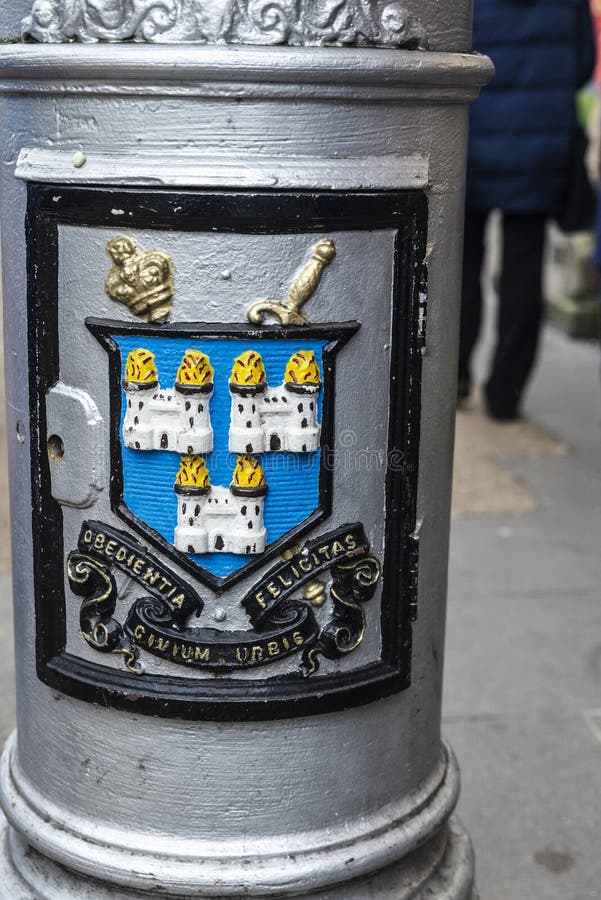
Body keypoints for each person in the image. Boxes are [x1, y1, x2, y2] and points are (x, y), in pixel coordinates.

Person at [459, 0, 596, 420]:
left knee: (461, 262)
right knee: (524, 266)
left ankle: (455, 376)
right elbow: (583, 64)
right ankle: (506, 394)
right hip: (541, 144)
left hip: (471, 135)